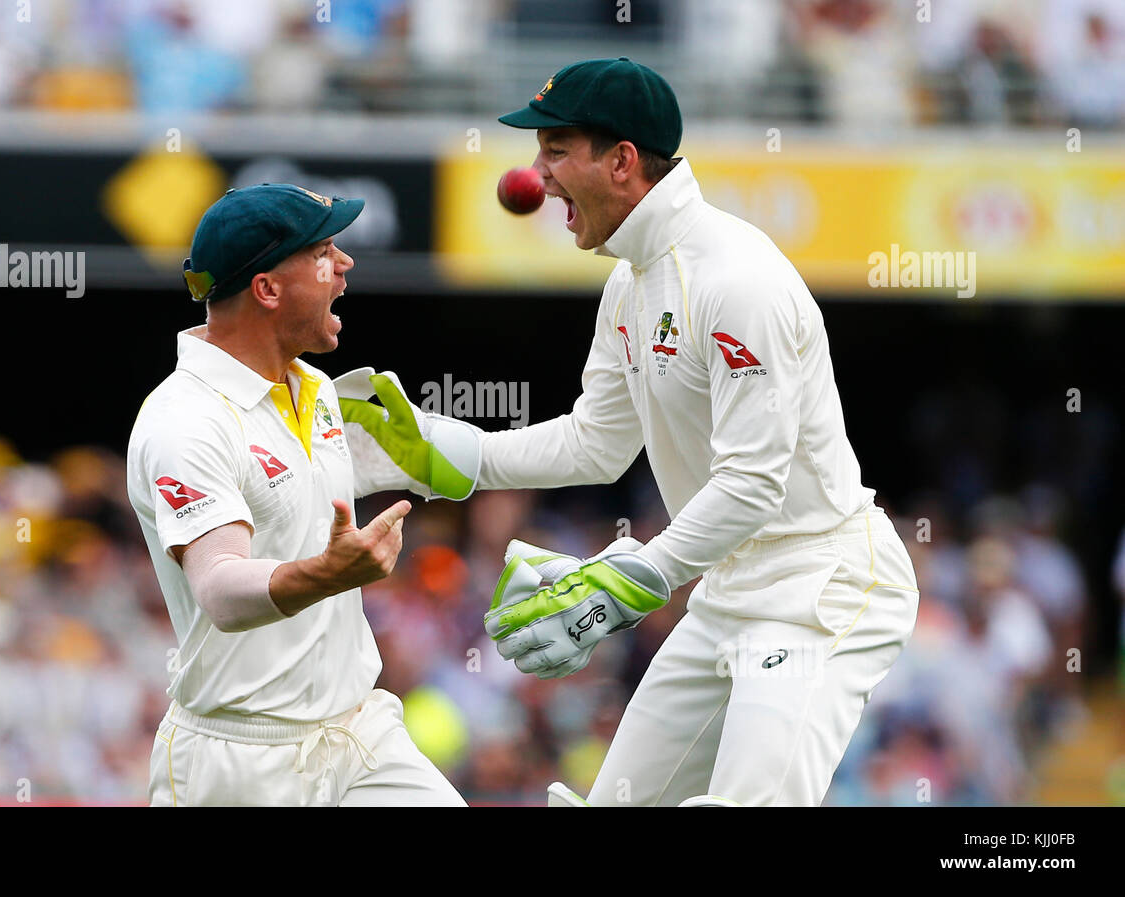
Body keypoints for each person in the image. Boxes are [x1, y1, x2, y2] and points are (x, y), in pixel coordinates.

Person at [346, 58, 919, 807]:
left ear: (621, 162)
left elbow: (753, 483)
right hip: (728, 590)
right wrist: (455, 457)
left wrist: (626, 583)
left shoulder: (738, 280)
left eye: (556, 151)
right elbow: (598, 440)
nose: (537, 178)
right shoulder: (629, 283)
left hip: (823, 585)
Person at [125, 184, 468, 806]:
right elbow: (221, 589)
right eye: (324, 251)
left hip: (358, 734)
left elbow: (440, 465)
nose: (345, 264)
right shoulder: (185, 421)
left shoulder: (317, 390)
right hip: (236, 764)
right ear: (268, 289)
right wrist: (325, 574)